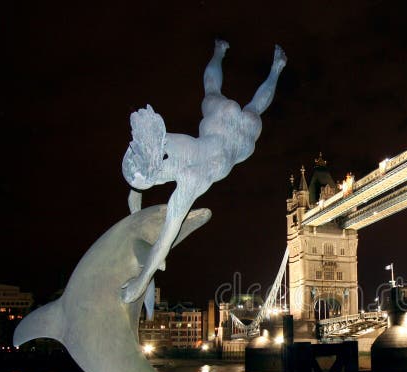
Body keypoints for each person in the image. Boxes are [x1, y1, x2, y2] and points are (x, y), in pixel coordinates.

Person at [121, 40, 287, 303]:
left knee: (255, 107)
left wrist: (140, 284)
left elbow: (166, 237)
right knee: (212, 89)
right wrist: (137, 221)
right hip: (218, 123)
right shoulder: (167, 142)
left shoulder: (191, 179)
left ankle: (276, 69)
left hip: (238, 141)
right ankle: (225, 53)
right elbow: (136, 186)